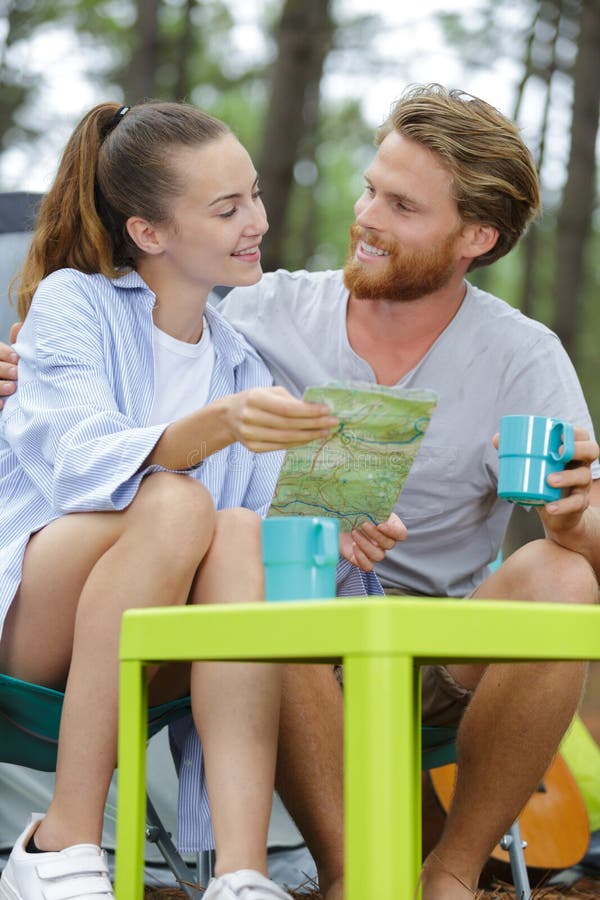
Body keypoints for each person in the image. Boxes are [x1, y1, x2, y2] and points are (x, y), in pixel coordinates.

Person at [2, 84, 600, 899]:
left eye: (401, 206)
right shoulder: (254, 315)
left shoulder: (517, 355)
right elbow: (104, 401)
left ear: (476, 237)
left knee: (562, 576)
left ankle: (417, 874)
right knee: (228, 545)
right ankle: (341, 876)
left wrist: (574, 522)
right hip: (267, 634)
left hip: (421, 645)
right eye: (368, 189)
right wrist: (21, 374)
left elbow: (249, 482)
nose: (366, 217)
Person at [0, 100, 403, 900]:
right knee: (179, 503)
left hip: (158, 641)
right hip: (35, 621)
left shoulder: (240, 361)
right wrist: (209, 430)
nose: (255, 220)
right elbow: (78, 462)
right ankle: (60, 842)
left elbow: (252, 551)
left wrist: (337, 533)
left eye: (253, 194)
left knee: (244, 530)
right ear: (149, 232)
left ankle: (242, 873)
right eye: (226, 208)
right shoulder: (73, 303)